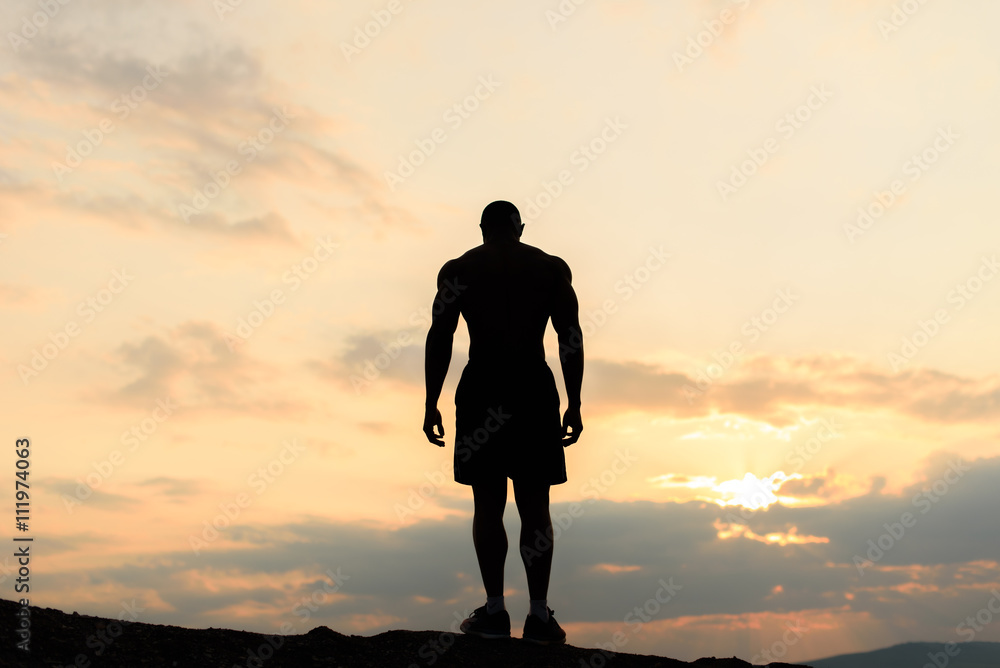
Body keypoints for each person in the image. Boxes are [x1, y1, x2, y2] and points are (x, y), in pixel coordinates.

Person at [422, 200, 584, 645]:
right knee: (535, 506)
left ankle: (494, 612)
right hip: (533, 389)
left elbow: (440, 335)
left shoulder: (459, 269)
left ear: (482, 229)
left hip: (483, 387)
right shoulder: (550, 268)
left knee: (487, 504)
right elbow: (569, 337)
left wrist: (431, 401)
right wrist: (574, 402)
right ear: (520, 228)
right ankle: (539, 616)